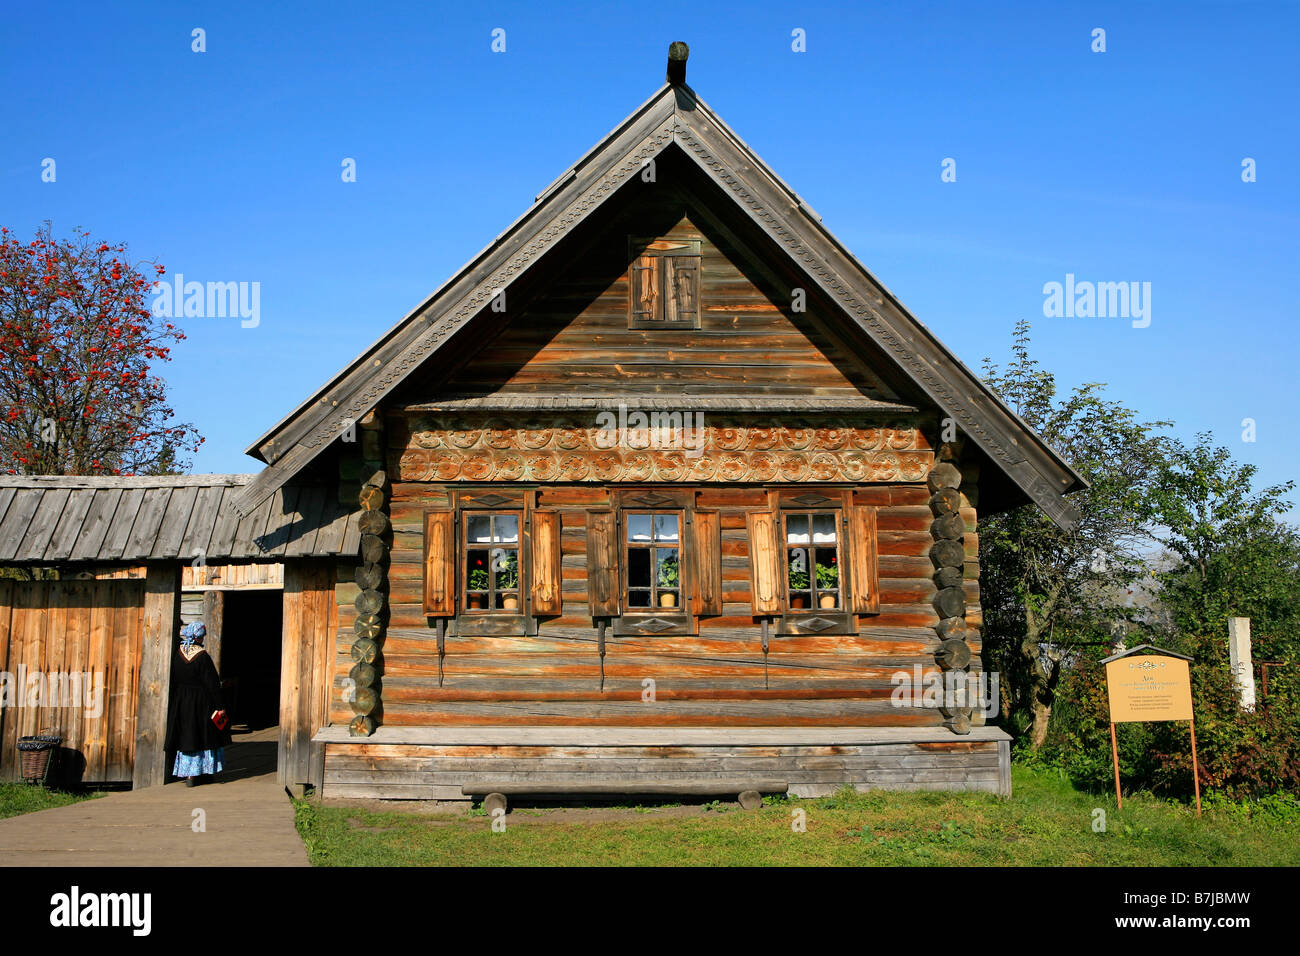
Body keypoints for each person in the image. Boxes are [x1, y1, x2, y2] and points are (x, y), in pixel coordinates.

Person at [166, 622, 231, 787]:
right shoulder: (202, 656)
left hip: (182, 701)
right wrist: (220, 705)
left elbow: (173, 680)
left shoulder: (177, 654)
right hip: (201, 702)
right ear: (199, 636)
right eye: (202, 636)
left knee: (187, 733)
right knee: (203, 734)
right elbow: (212, 684)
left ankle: (189, 774)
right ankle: (204, 772)